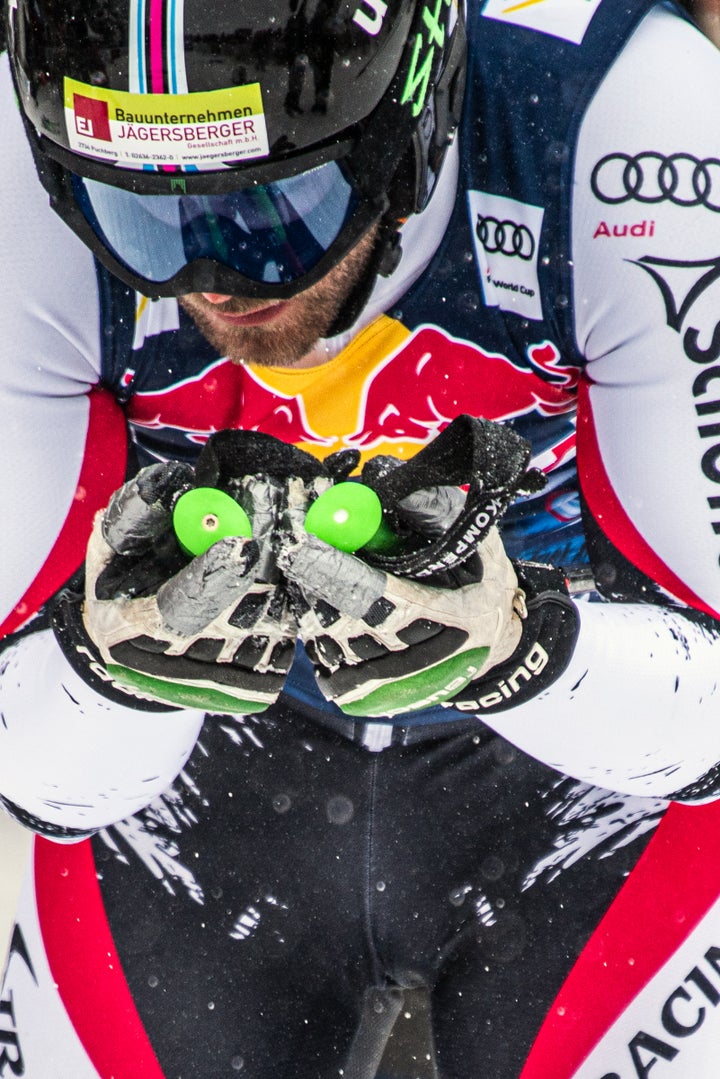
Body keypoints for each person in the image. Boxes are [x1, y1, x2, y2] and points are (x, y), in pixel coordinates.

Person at [3, 0, 720, 1076]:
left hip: (590, 788)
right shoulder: (19, 167)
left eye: (283, 205)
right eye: (134, 216)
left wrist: (531, 645)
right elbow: (34, 758)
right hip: (209, 793)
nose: (216, 277)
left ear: (413, 125)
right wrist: (112, 665)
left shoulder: (629, 120)